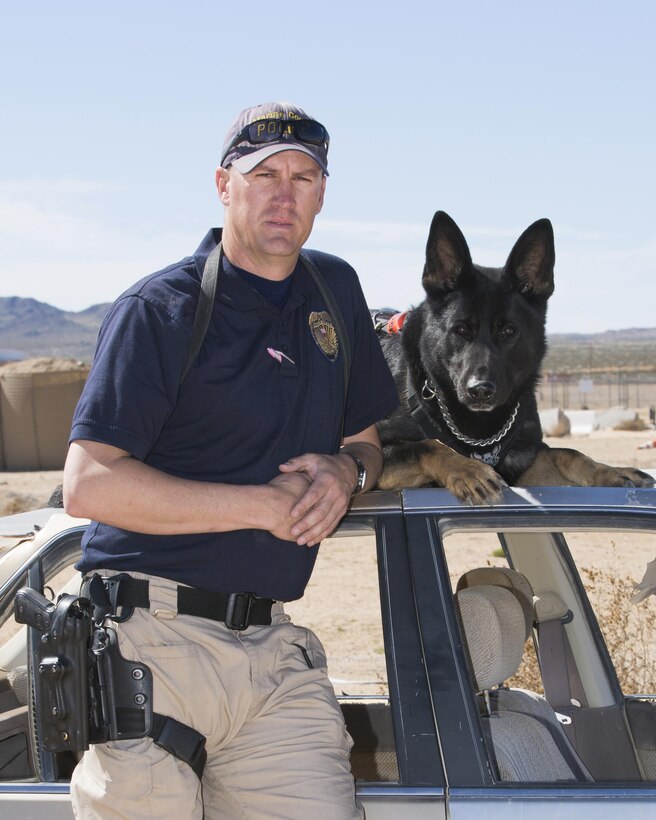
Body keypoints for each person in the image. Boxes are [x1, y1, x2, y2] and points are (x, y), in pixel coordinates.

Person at [63, 101, 399, 819]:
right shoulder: (160, 309)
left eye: (304, 178)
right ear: (224, 185)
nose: (285, 195)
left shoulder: (334, 292)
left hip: (270, 649)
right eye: (264, 175)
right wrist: (259, 506)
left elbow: (366, 441)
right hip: (151, 644)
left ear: (323, 192)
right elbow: (88, 484)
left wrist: (348, 472)